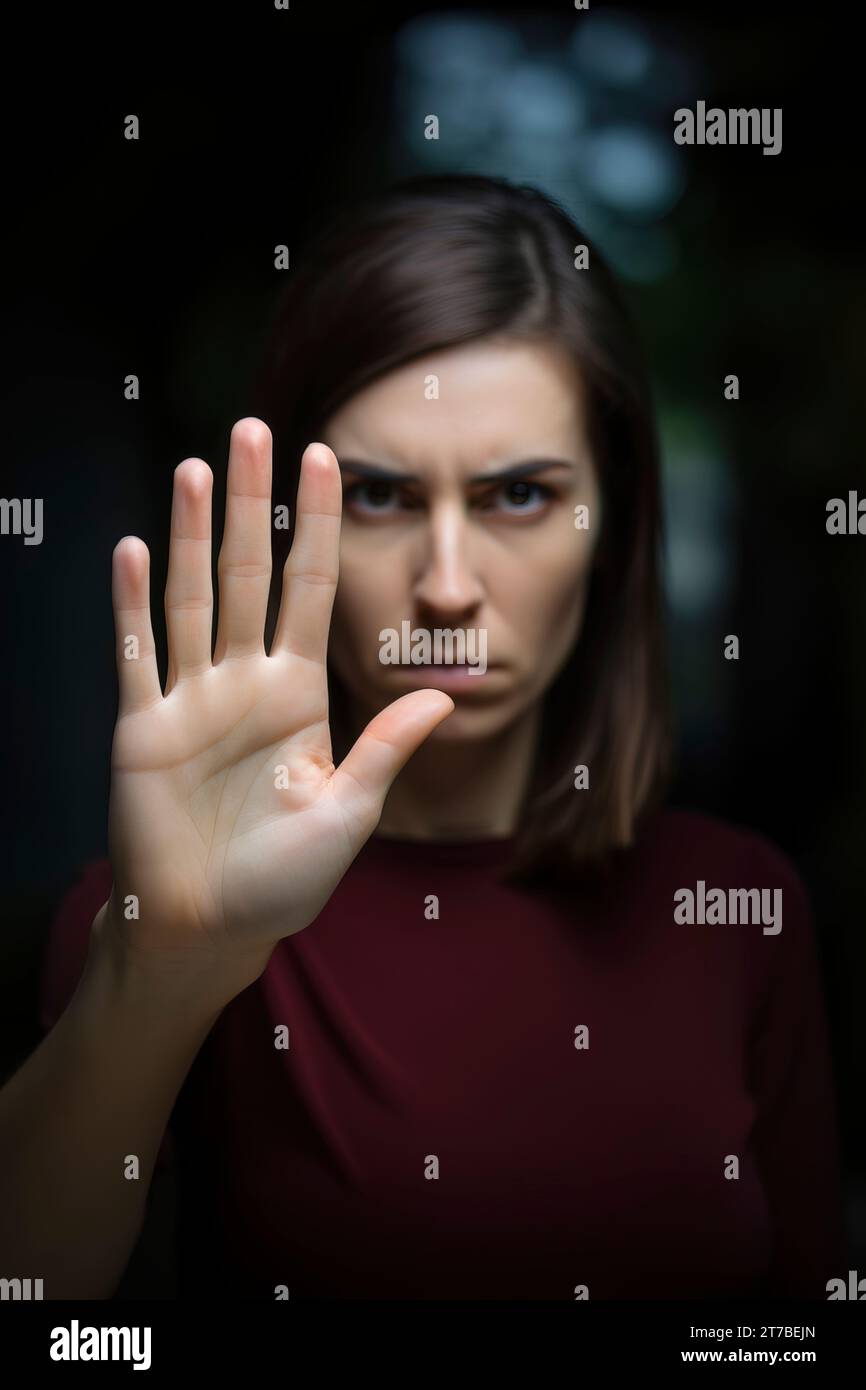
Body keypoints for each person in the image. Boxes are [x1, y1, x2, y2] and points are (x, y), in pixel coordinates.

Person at [0, 175, 846, 1300]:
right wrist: (158, 971)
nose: (447, 588)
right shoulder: (154, 914)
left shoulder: (740, 908)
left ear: (613, 525)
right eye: (380, 497)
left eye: (517, 496)